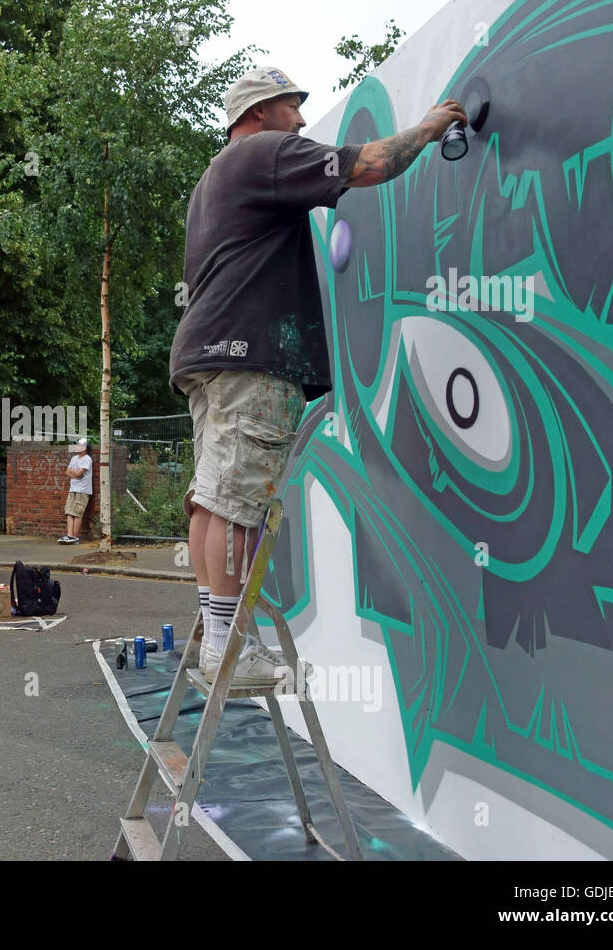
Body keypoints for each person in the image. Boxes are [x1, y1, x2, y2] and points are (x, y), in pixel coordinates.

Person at [169, 66, 466, 685]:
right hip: (249, 351)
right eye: (290, 107)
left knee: (212, 496)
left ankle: (219, 636)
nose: (301, 120)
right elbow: (373, 163)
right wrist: (434, 125)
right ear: (256, 114)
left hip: (209, 352)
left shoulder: (212, 178)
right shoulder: (263, 153)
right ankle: (226, 648)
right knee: (234, 499)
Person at [58, 438, 92, 545]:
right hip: (73, 489)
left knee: (77, 513)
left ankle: (75, 537)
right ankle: (70, 536)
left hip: (83, 490)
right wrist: (75, 473)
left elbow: (78, 474)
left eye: (79, 445)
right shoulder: (74, 458)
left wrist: (74, 473)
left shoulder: (87, 459)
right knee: (69, 511)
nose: (77, 447)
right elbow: (67, 472)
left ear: (84, 447)